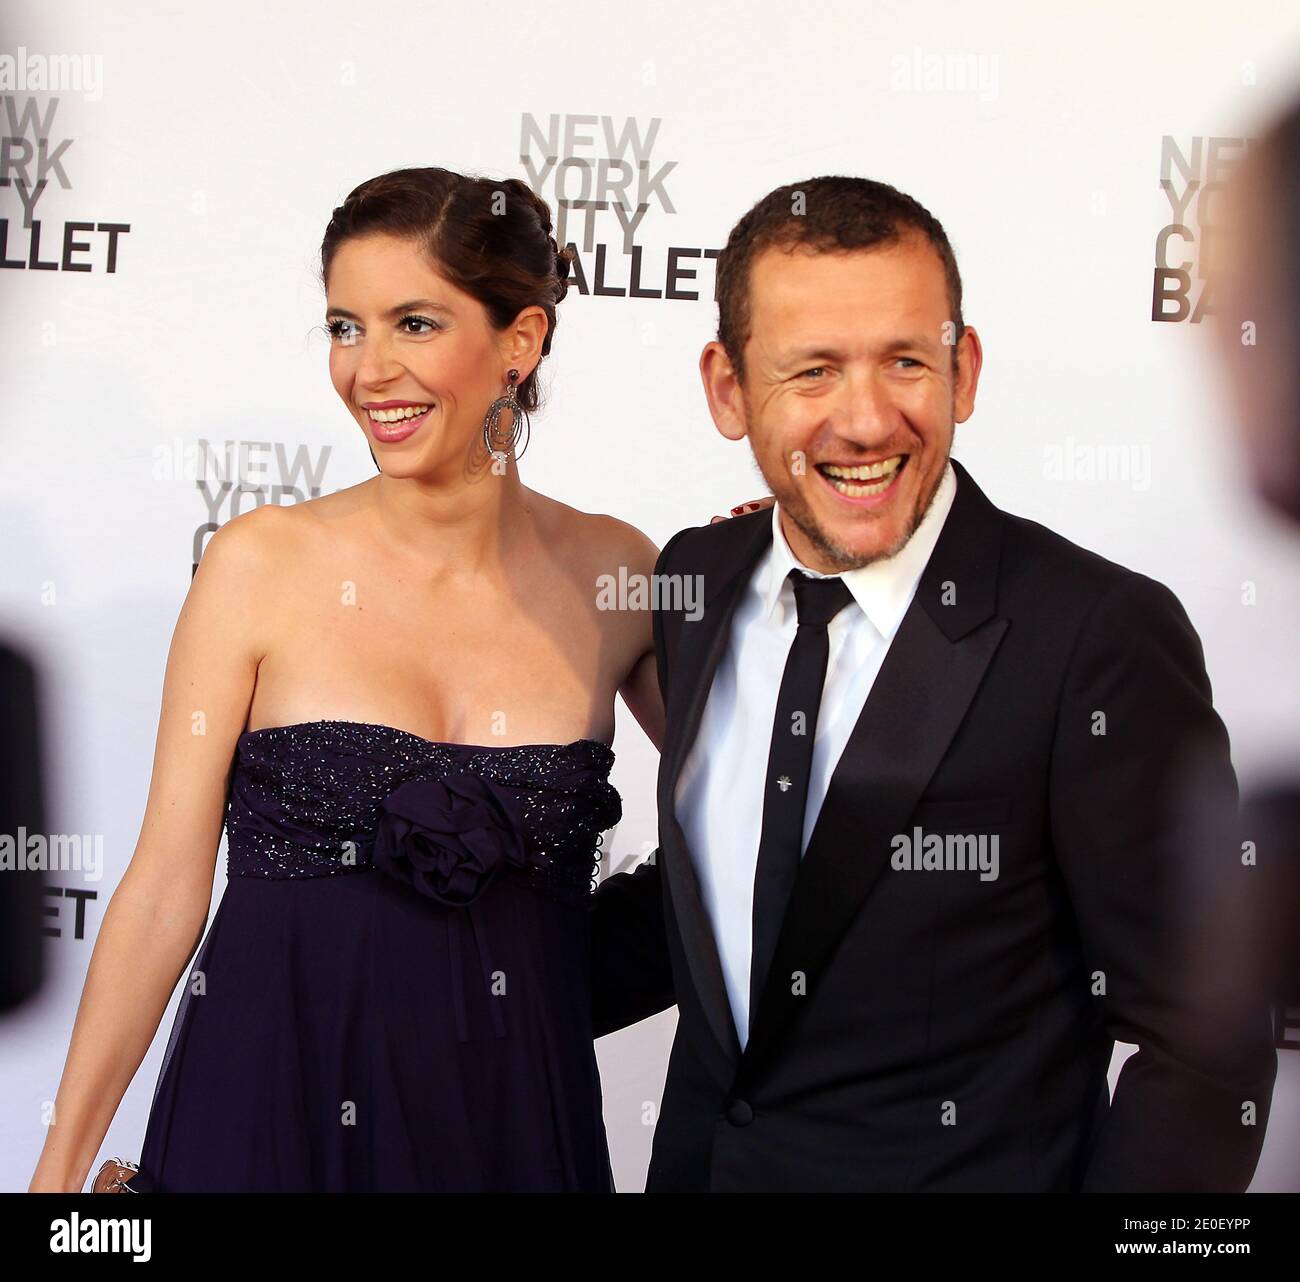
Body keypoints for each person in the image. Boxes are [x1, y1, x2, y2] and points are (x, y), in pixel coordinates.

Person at [592, 174, 1278, 1192]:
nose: (865, 422)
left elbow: (1207, 1048)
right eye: (812, 371)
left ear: (962, 371)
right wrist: (440, 987)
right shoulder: (695, 581)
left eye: (905, 361)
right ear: (727, 390)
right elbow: (734, 891)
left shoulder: (1094, 637)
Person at [29, 167, 665, 1193]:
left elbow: (758, 824)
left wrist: (788, 595)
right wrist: (57, 1180)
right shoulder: (258, 562)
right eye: (344, 326)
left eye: (413, 323)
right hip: (266, 1115)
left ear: (520, 341)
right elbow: (161, 891)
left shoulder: (619, 575)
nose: (369, 370)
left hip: (507, 1126)